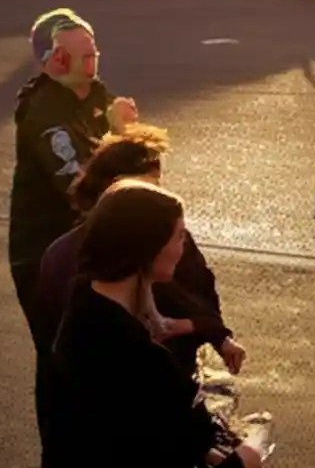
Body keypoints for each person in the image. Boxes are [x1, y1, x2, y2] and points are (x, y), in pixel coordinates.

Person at [52, 180, 264, 468]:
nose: (183, 246)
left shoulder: (82, 306)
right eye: (178, 236)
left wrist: (202, 450)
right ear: (149, 247)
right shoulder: (141, 359)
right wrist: (248, 457)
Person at [8, 8, 138, 465]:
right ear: (54, 59)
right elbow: (80, 187)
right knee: (62, 360)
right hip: (44, 259)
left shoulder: (94, 94)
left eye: (94, 49)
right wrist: (121, 137)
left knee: (94, 359)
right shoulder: (45, 113)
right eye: (83, 53)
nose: (93, 58)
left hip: (86, 250)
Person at [38, 124, 245, 378]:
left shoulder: (169, 239)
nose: (157, 198)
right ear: (116, 189)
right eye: (147, 189)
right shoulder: (67, 260)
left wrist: (216, 335)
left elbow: (199, 293)